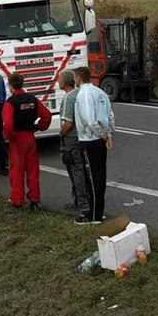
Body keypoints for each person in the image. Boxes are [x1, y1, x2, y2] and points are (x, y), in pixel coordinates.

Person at [2, 73, 51, 211]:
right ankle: (35, 200)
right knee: (33, 170)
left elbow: (7, 123)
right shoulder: (32, 99)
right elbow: (46, 115)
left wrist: (8, 136)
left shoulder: (10, 102)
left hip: (17, 139)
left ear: (11, 86)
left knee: (17, 170)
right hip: (30, 137)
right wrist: (39, 127)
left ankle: (17, 200)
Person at [73, 66, 115, 224]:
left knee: (91, 178)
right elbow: (110, 115)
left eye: (75, 77)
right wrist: (109, 134)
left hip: (89, 139)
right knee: (100, 176)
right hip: (100, 140)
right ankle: (99, 211)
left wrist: (102, 134)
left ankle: (94, 215)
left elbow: (90, 120)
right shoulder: (100, 92)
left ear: (79, 78)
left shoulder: (83, 94)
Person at [58, 70, 91, 224]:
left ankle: (83, 205)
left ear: (63, 83)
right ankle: (80, 200)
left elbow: (68, 123)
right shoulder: (80, 93)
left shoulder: (68, 98)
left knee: (76, 170)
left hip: (71, 139)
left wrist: (61, 133)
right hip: (83, 136)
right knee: (81, 169)